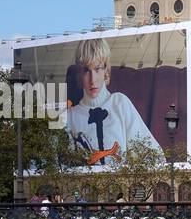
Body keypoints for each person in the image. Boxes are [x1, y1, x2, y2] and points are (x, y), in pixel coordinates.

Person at [65, 37, 161, 166]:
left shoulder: (120, 103)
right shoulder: (70, 116)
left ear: (106, 71)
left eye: (98, 69)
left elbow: (155, 156)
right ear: (80, 74)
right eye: (87, 71)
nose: (93, 80)